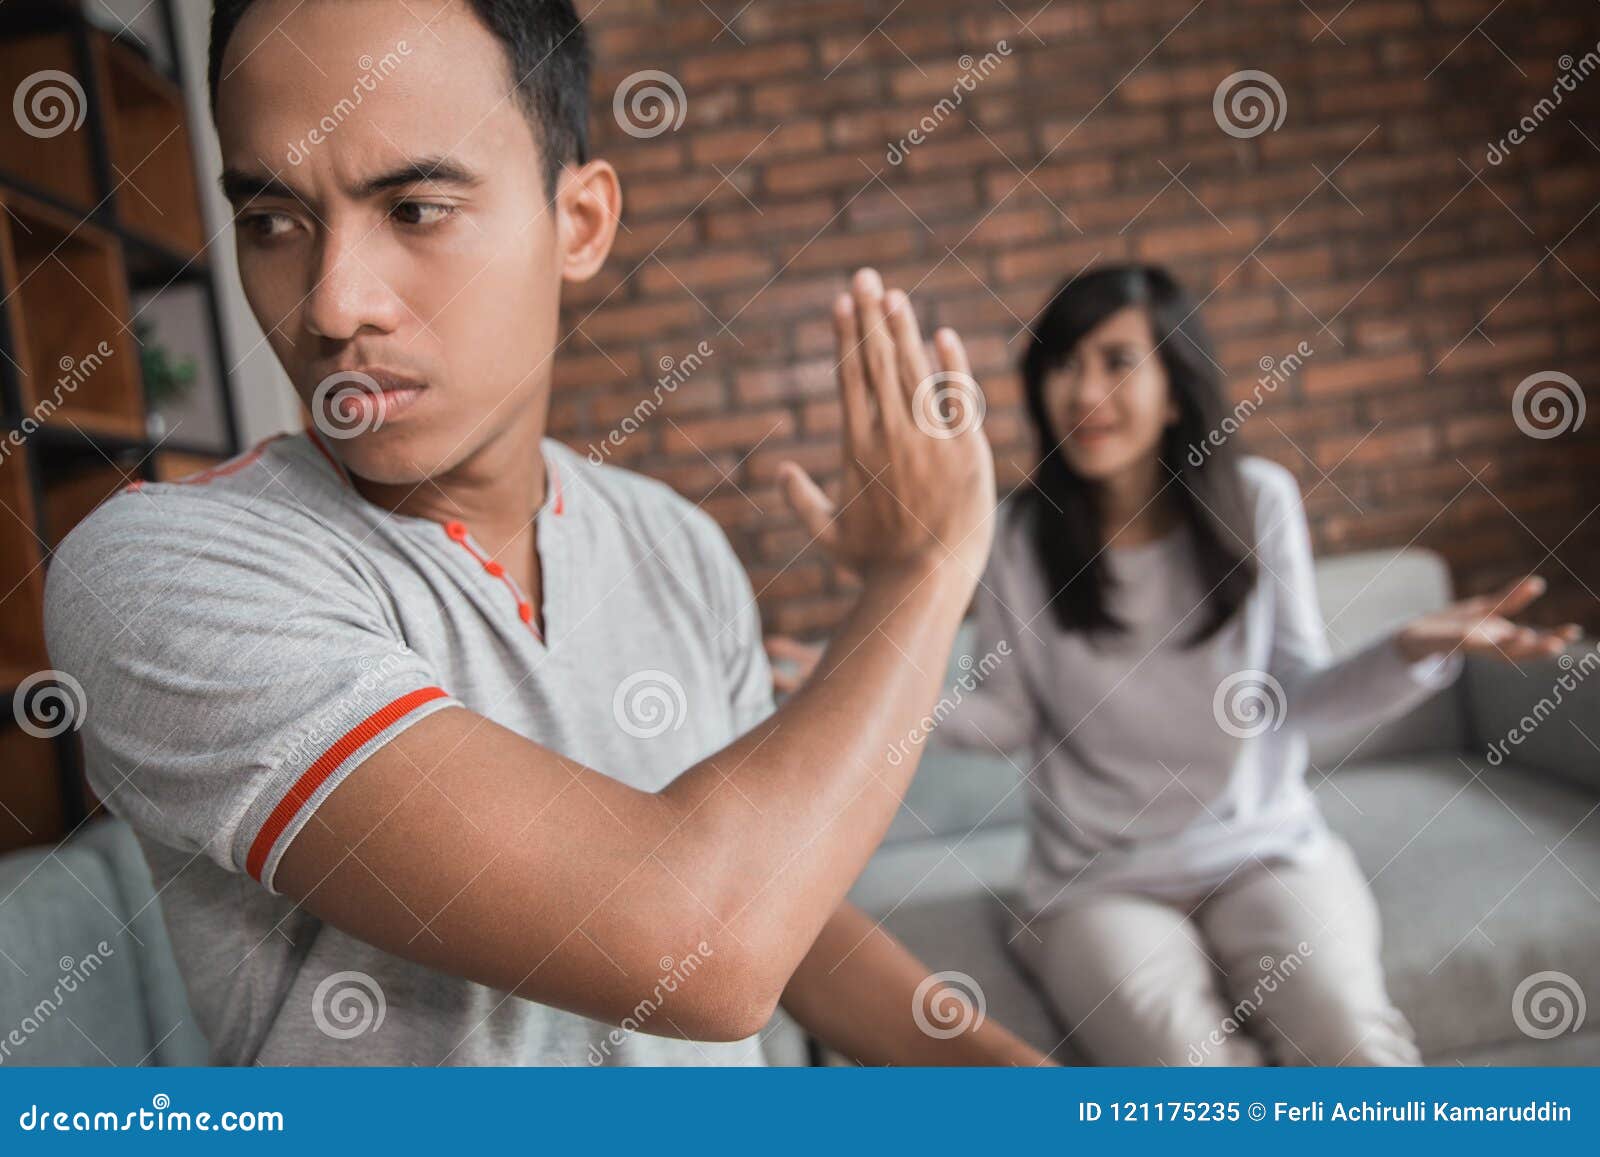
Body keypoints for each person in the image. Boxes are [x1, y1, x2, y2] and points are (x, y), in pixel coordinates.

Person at [41, 0, 1047, 1067]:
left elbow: (777, 898)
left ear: (580, 222)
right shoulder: (158, 574)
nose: (335, 304)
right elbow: (710, 940)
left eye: (416, 209)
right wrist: (923, 568)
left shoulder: (674, 543)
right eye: (273, 220)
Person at [768, 263, 1580, 1066]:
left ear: (1177, 388)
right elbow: (1006, 712)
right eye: (1063, 363)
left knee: (1355, 1046)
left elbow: (1298, 699)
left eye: (1117, 362)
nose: (1083, 392)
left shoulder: (1258, 500)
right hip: (1097, 884)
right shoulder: (1020, 534)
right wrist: (864, 683)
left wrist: (1413, 648)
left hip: (1264, 851)